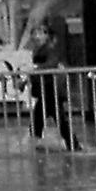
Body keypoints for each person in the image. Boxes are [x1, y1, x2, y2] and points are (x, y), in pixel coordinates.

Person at [27, 20, 77, 152]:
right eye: (34, 34)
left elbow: (51, 64)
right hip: (46, 90)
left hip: (50, 90)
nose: (36, 37)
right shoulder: (41, 49)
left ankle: (73, 145)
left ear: (46, 35)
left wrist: (35, 69)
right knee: (42, 119)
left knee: (55, 120)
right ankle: (72, 145)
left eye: (39, 33)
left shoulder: (49, 49)